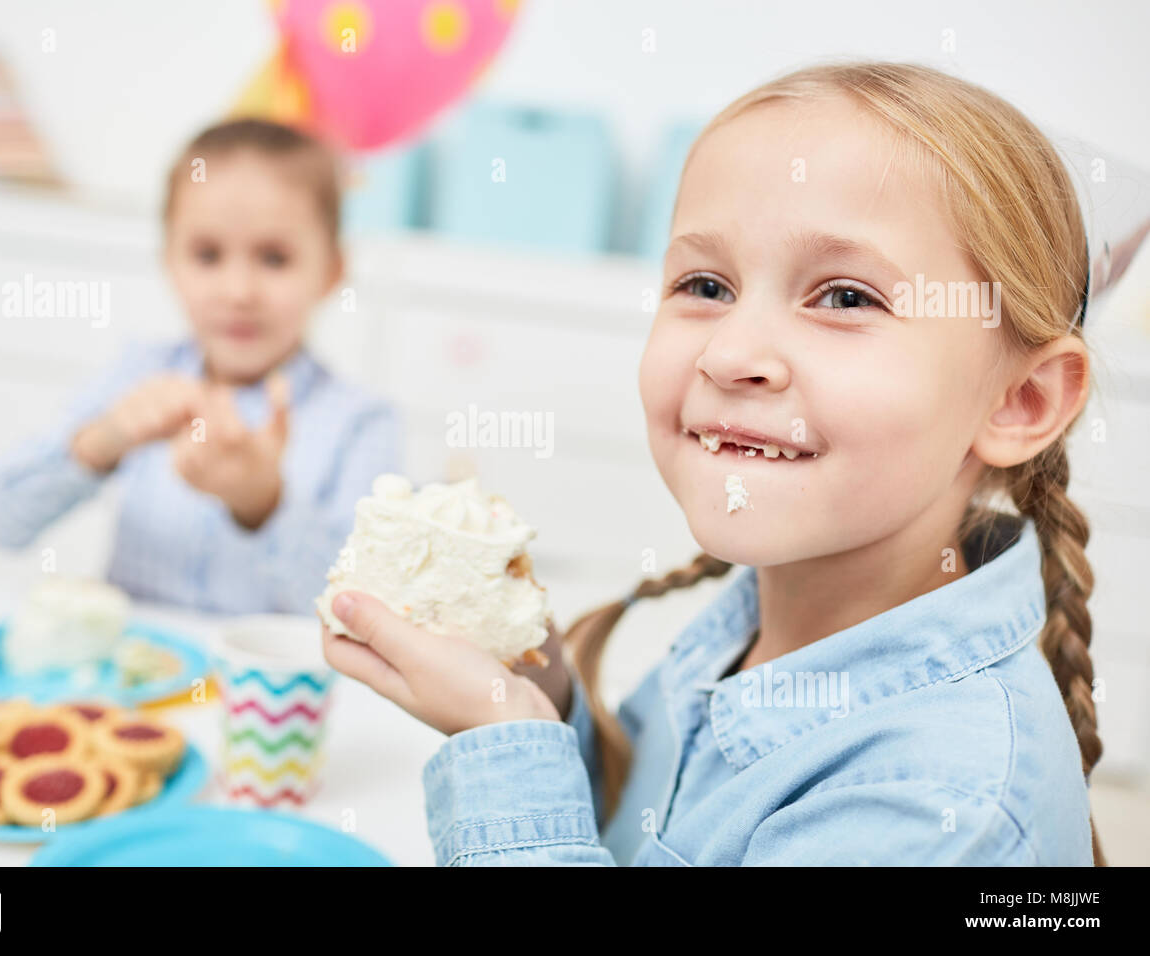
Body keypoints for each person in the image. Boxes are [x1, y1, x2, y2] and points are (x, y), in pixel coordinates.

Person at [320, 62, 1106, 865]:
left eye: (844, 298)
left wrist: (503, 755)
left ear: (1022, 401)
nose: (731, 354)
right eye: (705, 284)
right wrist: (539, 697)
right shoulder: (757, 623)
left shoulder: (941, 807)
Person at [0, 119, 400, 614]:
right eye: (207, 255)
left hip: (257, 691)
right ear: (169, 263)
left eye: (275, 259)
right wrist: (102, 442)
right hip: (130, 681)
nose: (238, 292)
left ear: (330, 273)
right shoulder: (136, 377)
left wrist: (265, 504)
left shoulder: (362, 422)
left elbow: (363, 612)